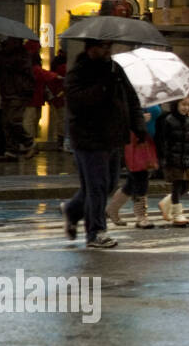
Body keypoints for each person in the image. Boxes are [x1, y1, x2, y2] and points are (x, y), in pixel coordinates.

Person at [61, 39, 146, 249]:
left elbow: (131, 98)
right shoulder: (79, 72)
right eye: (103, 47)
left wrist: (138, 125)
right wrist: (103, 86)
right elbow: (77, 101)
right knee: (97, 186)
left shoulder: (115, 69)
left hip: (113, 137)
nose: (108, 51)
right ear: (91, 48)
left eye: (109, 46)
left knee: (107, 185)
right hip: (88, 138)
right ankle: (96, 232)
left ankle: (72, 210)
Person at [107, 103, 162, 230]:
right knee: (141, 177)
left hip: (149, 141)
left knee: (133, 181)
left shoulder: (153, 95)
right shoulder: (133, 95)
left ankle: (112, 209)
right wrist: (139, 119)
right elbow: (121, 117)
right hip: (136, 141)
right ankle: (141, 216)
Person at [156, 96, 189, 227]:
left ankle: (167, 202)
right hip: (173, 159)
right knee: (177, 185)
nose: (185, 107)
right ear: (176, 104)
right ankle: (177, 213)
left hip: (186, 158)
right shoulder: (168, 120)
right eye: (183, 104)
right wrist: (164, 157)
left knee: (185, 186)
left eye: (188, 105)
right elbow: (163, 141)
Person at [0, 36, 35, 159]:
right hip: (7, 90)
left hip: (18, 91)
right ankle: (11, 149)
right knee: (6, 122)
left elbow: (18, 68)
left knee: (13, 120)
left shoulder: (22, 56)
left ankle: (29, 142)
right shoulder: (3, 54)